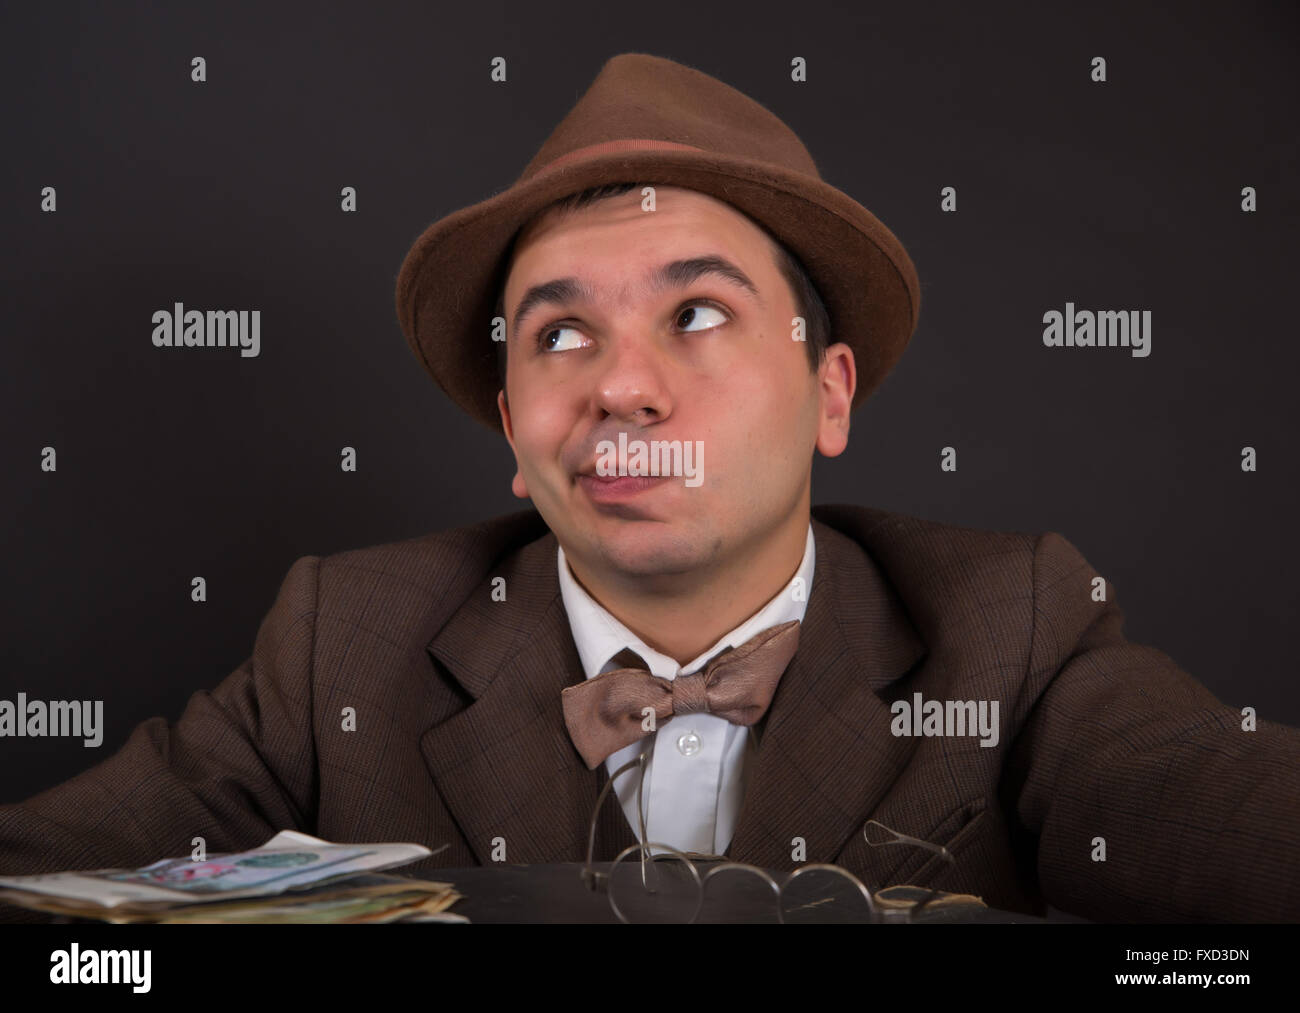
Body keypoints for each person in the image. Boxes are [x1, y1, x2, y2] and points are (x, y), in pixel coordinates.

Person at [2, 52, 1297, 924]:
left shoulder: (1015, 627)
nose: (623, 389)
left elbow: (1228, 818)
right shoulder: (344, 638)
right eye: (561, 335)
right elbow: (47, 883)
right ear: (516, 429)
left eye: (697, 311)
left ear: (830, 392)